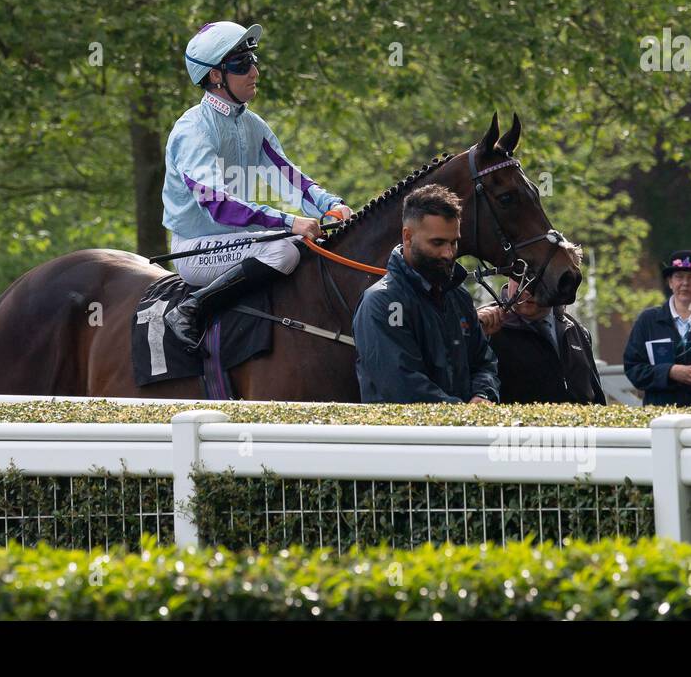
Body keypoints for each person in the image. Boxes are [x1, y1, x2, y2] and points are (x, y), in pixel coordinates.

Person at [160, 20, 351, 351]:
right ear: (215, 76)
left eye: (254, 61)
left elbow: (288, 177)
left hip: (237, 242)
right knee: (285, 247)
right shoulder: (192, 131)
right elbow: (219, 204)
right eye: (242, 64)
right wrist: (291, 222)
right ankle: (190, 310)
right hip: (194, 249)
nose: (255, 73)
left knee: (308, 247)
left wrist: (330, 205)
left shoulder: (252, 124)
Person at [353, 184, 500, 404]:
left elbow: (484, 363)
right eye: (438, 243)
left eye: (454, 242)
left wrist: (483, 395)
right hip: (404, 437)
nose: (448, 253)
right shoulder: (380, 302)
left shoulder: (458, 297)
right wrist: (467, 415)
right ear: (408, 236)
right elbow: (402, 387)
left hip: (463, 433)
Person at [622, 250, 691, 406]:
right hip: (661, 417)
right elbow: (633, 369)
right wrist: (669, 372)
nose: (685, 283)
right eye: (679, 276)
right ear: (670, 282)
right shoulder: (648, 320)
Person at [477, 276, 605, 404]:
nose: (527, 290)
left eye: (537, 279)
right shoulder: (483, 326)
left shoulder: (577, 331)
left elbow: (597, 400)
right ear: (508, 275)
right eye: (519, 277)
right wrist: (475, 329)